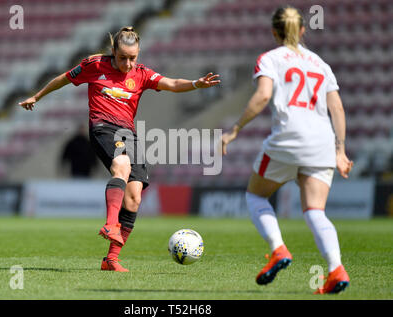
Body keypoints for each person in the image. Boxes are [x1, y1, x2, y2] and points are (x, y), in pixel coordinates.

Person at [19, 26, 220, 272]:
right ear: (113, 51)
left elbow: (173, 83)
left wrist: (196, 84)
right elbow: (64, 78)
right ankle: (111, 224)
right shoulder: (94, 65)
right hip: (102, 128)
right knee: (122, 164)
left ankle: (111, 260)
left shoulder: (142, 74)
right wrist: (37, 97)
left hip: (129, 134)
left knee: (134, 198)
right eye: (122, 57)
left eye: (132, 58)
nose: (127, 63)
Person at [221, 6, 353, 294]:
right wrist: (340, 151)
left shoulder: (269, 59)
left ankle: (278, 249)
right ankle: (335, 270)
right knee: (315, 211)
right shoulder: (320, 63)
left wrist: (235, 129)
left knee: (255, 195)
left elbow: (264, 95)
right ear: (303, 30)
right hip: (322, 141)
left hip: (289, 137)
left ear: (274, 32)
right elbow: (337, 108)